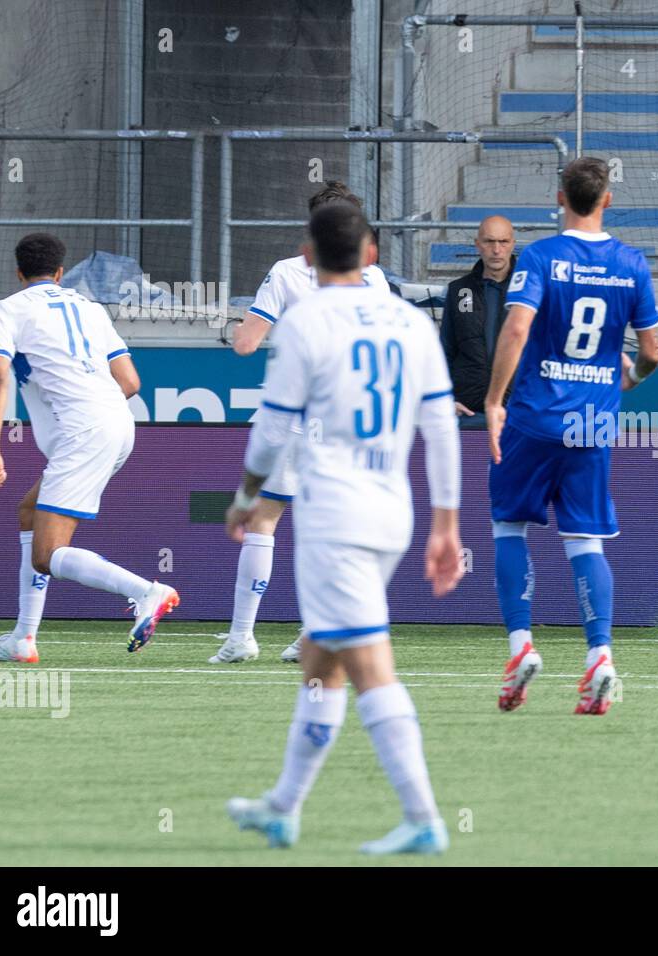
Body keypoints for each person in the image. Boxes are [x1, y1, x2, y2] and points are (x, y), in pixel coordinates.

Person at [223, 200, 464, 854]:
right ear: (373, 254)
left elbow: (274, 426)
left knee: (368, 667)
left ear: (308, 254)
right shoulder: (410, 322)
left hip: (337, 516)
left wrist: (247, 495)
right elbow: (440, 426)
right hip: (394, 510)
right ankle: (283, 807)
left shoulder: (307, 322)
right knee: (320, 663)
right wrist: (446, 522)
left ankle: (423, 817)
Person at [484, 157, 658, 715]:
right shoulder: (632, 265)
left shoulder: (538, 257)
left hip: (535, 417)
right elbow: (653, 352)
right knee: (584, 541)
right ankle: (600, 657)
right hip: (593, 425)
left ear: (559, 197)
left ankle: (521, 646)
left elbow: (516, 327)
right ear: (607, 199)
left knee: (508, 525)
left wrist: (494, 400)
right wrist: (629, 376)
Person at [215, 182, 394, 666]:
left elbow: (246, 344)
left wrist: (238, 329)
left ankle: (242, 637)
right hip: (354, 420)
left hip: (300, 417)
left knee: (263, 520)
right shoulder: (375, 279)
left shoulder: (287, 272)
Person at [0, 233, 178, 661]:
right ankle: (23, 638)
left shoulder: (6, 310)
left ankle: (148, 590)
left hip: (83, 433)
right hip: (119, 424)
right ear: (58, 273)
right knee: (29, 513)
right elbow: (130, 382)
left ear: (18, 274)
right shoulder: (88, 307)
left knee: (46, 555)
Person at [440, 215, 516, 427]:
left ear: (513, 244)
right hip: (467, 414)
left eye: (503, 241)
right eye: (489, 241)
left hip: (517, 414)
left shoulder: (529, 291)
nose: (497, 249)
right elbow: (445, 351)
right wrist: (447, 400)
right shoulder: (459, 290)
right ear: (477, 245)